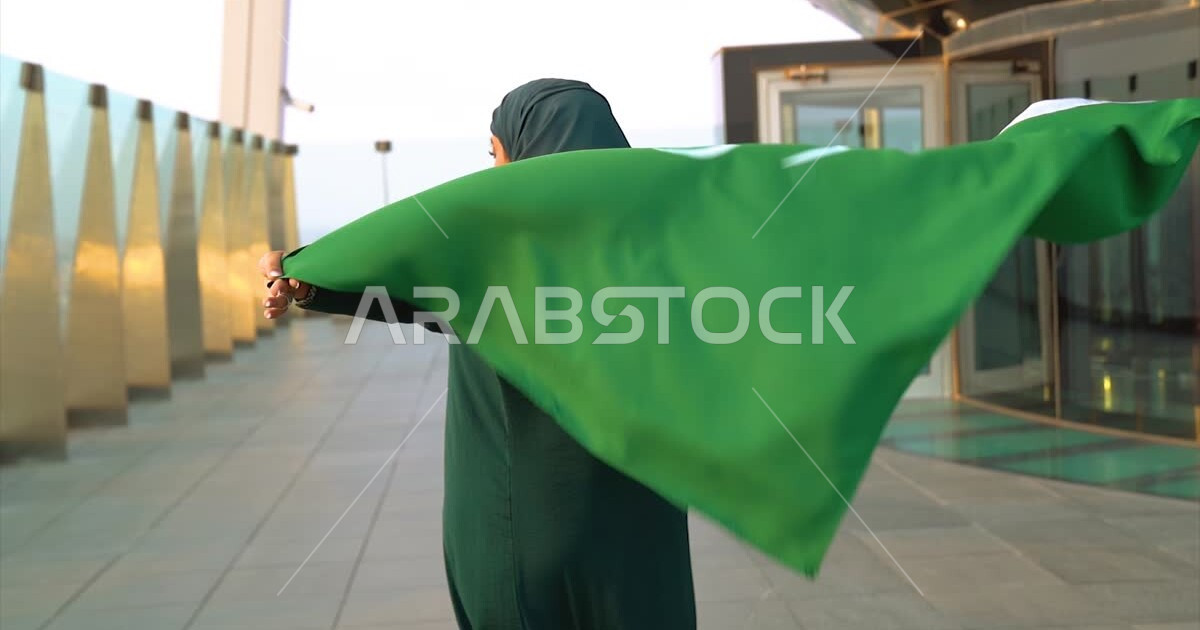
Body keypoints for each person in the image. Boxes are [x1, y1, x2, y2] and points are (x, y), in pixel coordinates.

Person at [258, 79, 696, 629]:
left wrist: (306, 273)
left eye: (495, 153)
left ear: (524, 149)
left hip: (518, 525)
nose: (495, 172)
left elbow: (401, 273)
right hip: (642, 533)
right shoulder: (668, 252)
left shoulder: (493, 248)